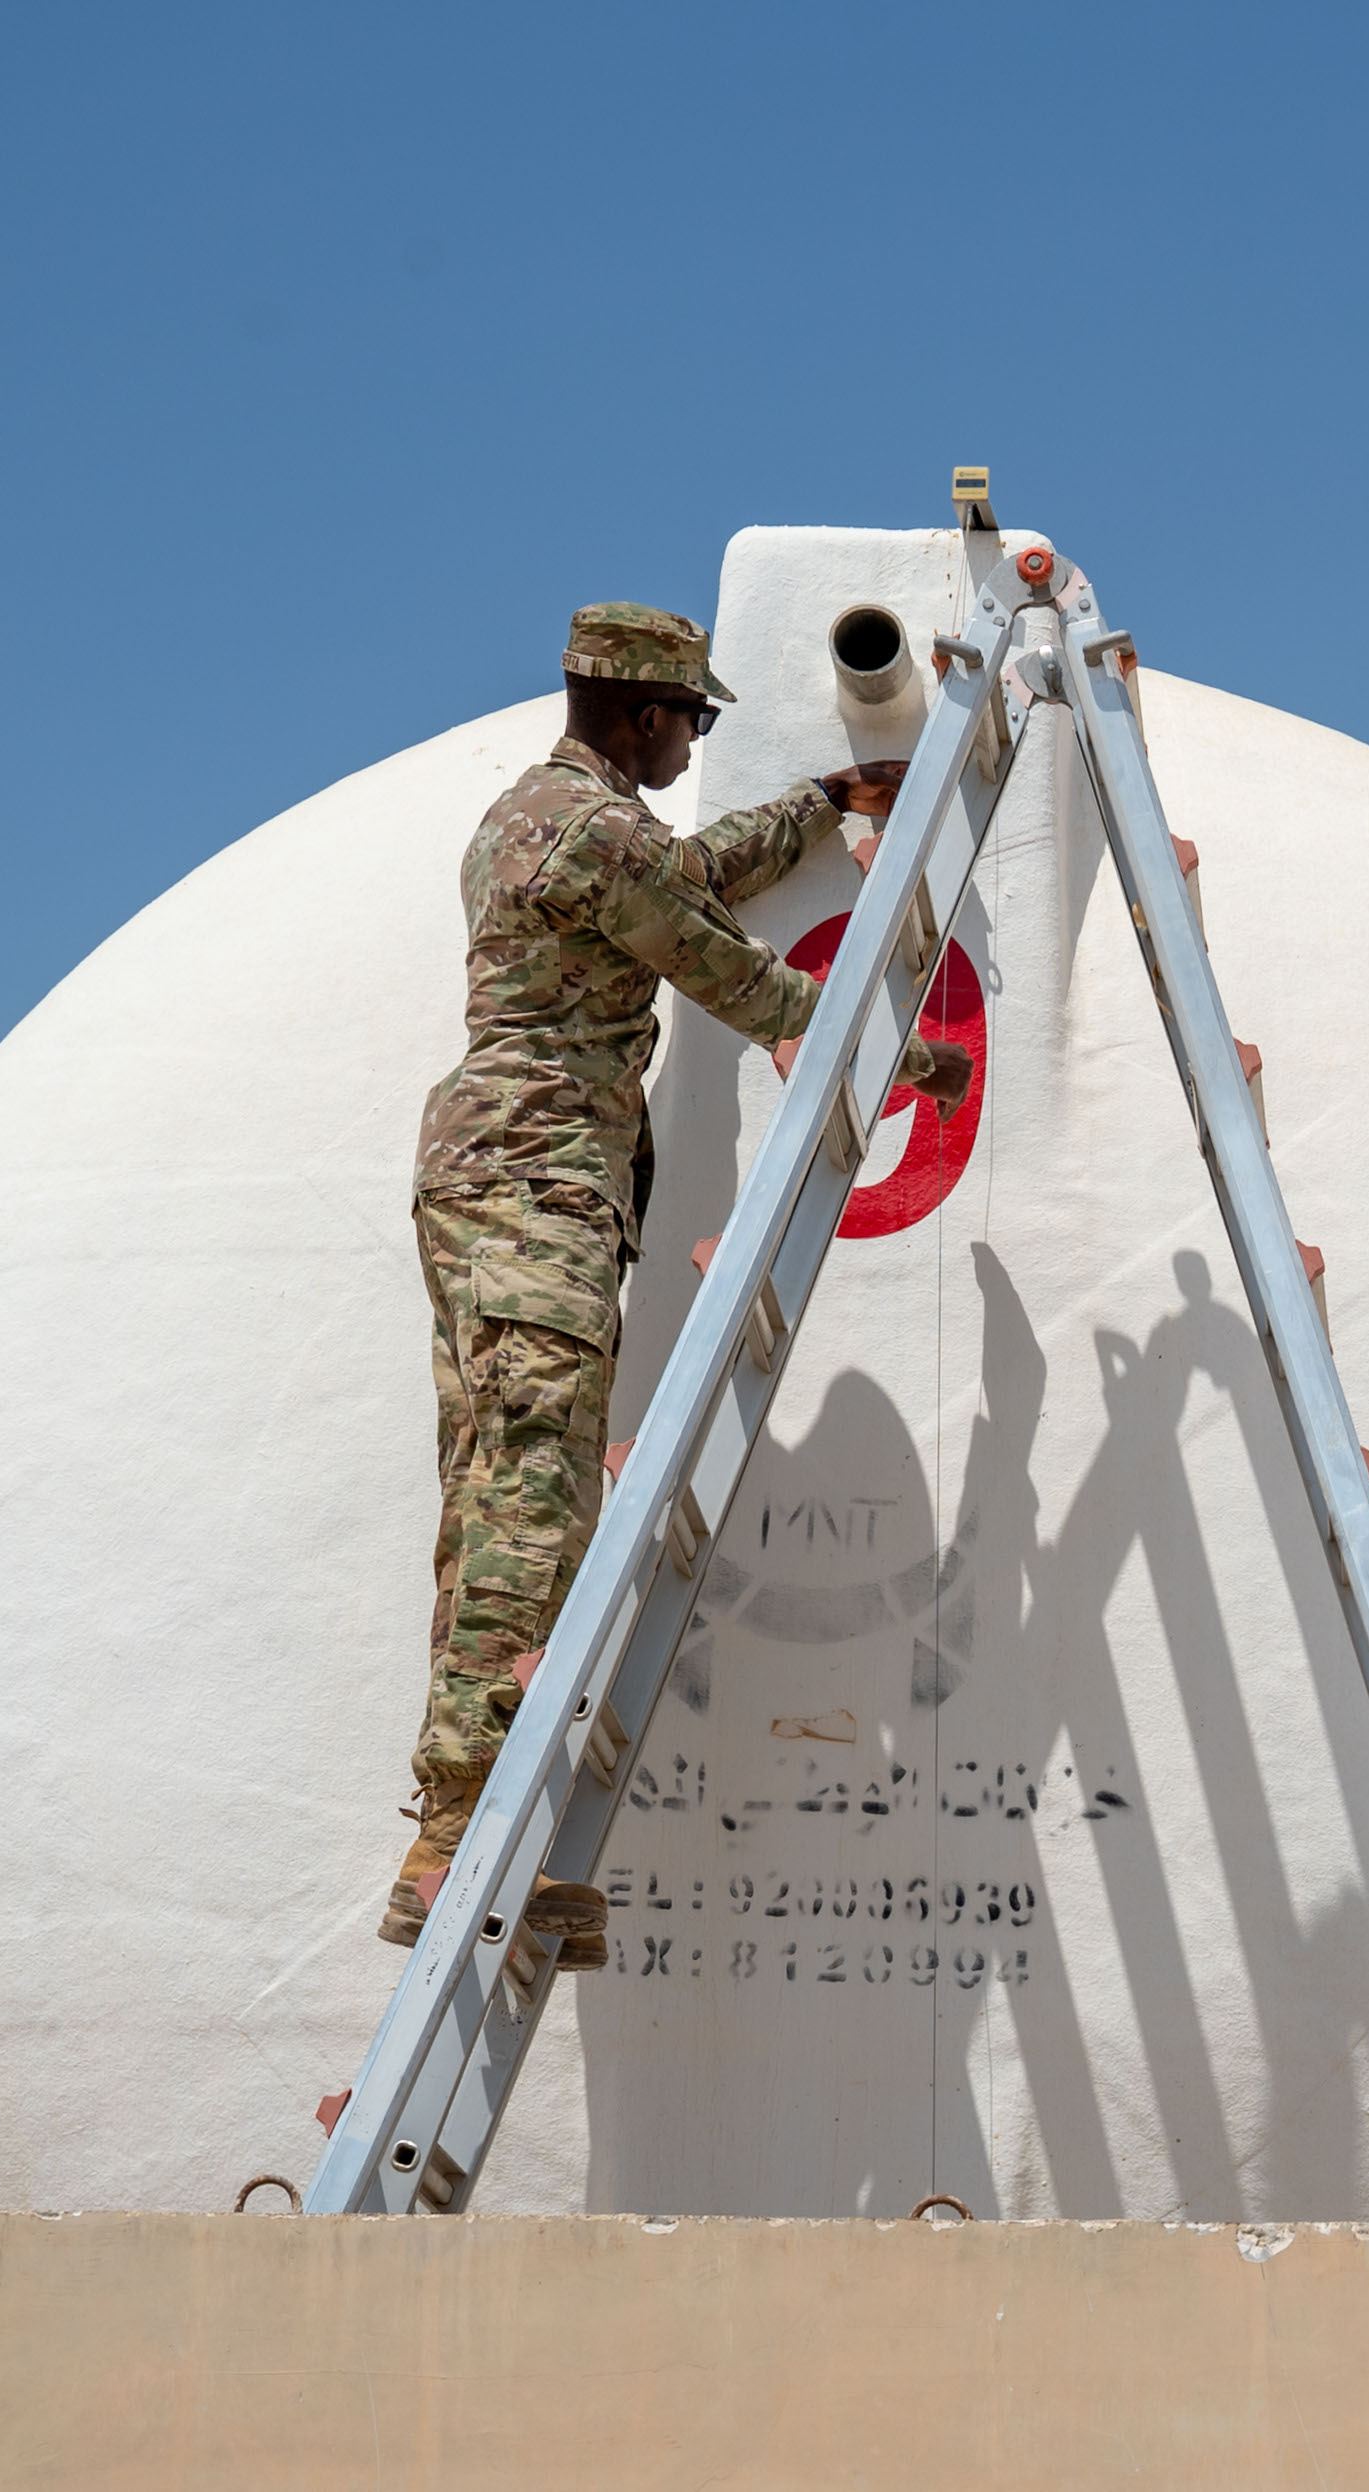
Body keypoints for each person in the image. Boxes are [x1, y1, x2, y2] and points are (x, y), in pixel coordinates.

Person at [386, 601, 974, 1967]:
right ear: (643, 715)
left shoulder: (542, 818)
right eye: (690, 721)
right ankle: (454, 1847)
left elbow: (684, 875)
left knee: (495, 1489)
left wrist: (817, 805)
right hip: (535, 1185)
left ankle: (456, 1837)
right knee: (527, 1504)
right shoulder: (596, 835)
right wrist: (911, 1056)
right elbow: (731, 974)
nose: (693, 742)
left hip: (497, 1179)